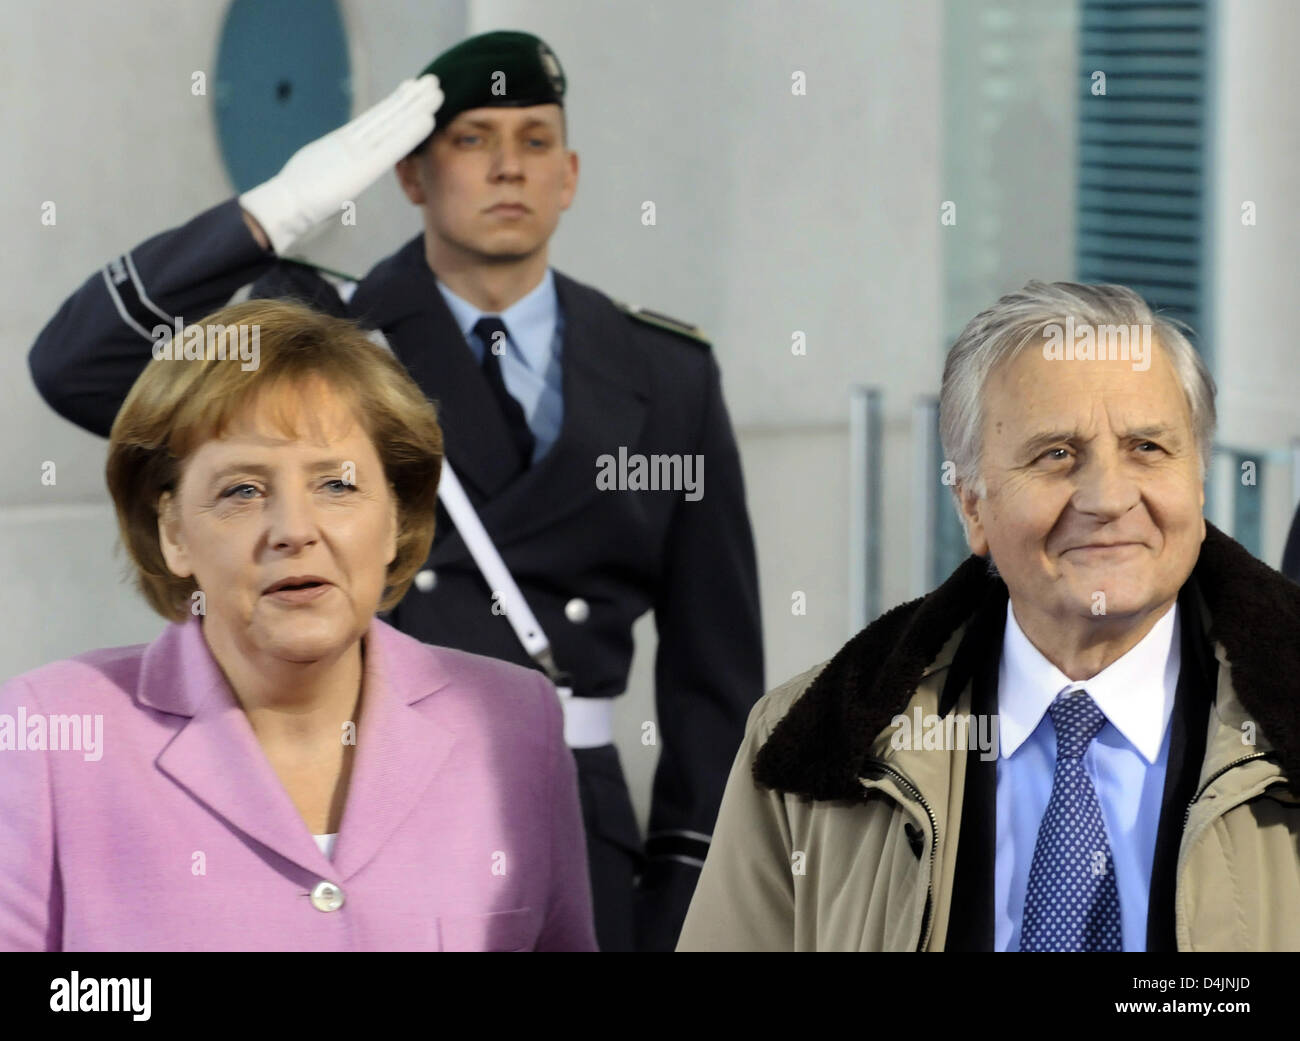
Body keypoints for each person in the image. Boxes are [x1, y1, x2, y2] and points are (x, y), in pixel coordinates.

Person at [27, 30, 763, 951]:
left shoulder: (666, 370)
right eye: (471, 140)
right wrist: (268, 218)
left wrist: (690, 887)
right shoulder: (321, 342)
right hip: (369, 783)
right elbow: (77, 364)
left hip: (575, 808)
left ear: (570, 176)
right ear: (409, 177)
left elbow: (714, 673)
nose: (507, 168)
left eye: (535, 142)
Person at [678, 281, 1300, 951]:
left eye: (1147, 447)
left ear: (1199, 482)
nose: (1109, 497)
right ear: (971, 503)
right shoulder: (803, 748)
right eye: (1057, 453)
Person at [0, 298, 596, 951]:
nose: (293, 531)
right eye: (243, 490)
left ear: (396, 516)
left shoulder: (514, 722)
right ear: (173, 532)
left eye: (337, 485)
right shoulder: (48, 733)